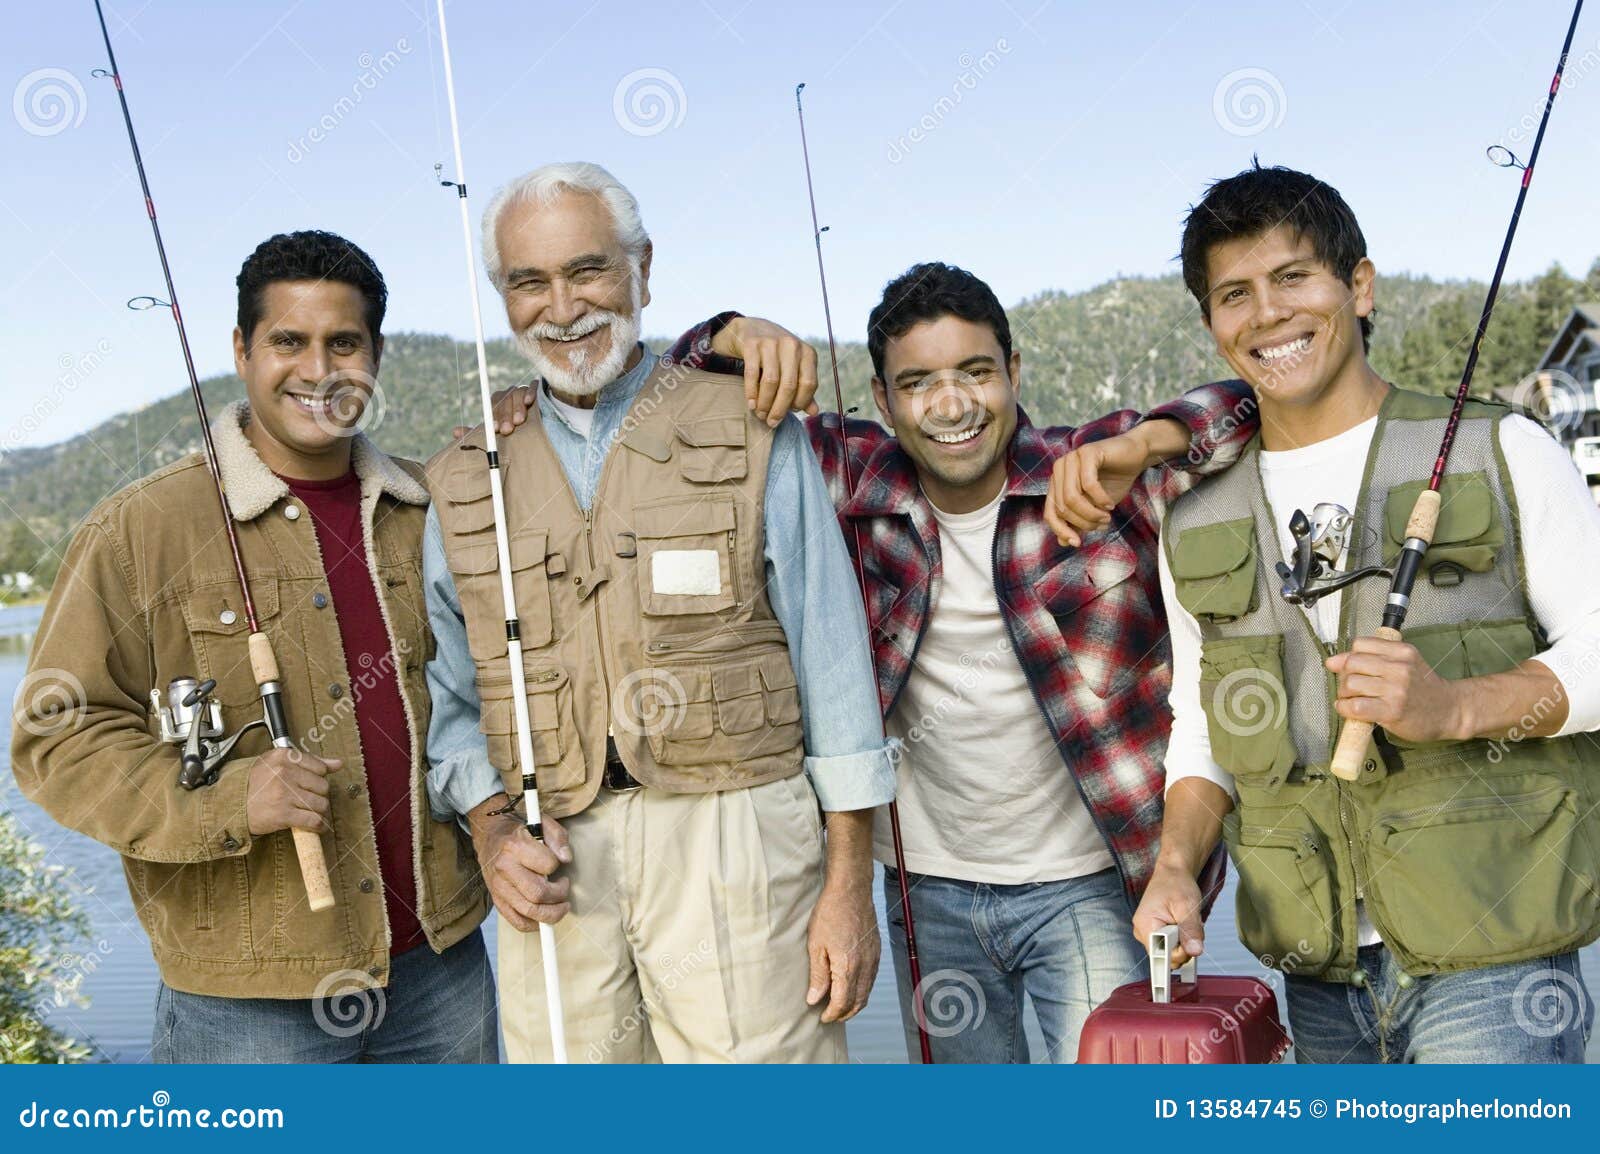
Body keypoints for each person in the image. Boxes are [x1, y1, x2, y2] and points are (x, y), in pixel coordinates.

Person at [1049, 162, 1600, 1062]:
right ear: (1212, 325)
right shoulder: (1193, 516)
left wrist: (1458, 707)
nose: (1267, 313)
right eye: (1235, 294)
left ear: (1360, 287)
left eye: (1293, 277)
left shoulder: (1506, 447)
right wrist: (1176, 865)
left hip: (1496, 959)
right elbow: (1202, 726)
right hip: (1314, 970)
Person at [674, 262, 1256, 1061]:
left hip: (1092, 885)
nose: (951, 406)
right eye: (918, 383)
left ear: (1013, 372)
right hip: (927, 891)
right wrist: (735, 334)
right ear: (883, 401)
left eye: (976, 372)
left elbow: (1248, 409)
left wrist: (1146, 440)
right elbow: (678, 399)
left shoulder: (1094, 469)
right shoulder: (846, 475)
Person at [422, 162, 895, 1063]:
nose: (563, 307)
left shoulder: (758, 424)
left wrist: (848, 888)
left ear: (642, 268)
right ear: (504, 298)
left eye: (588, 270)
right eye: (529, 282)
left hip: (738, 836)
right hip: (553, 857)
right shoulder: (460, 477)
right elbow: (449, 699)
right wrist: (490, 828)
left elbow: (833, 664)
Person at [12, 231, 498, 1063]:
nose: (318, 370)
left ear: (377, 355)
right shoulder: (138, 531)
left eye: (343, 343)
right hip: (246, 1004)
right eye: (288, 341)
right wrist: (229, 800)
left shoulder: (434, 509)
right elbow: (57, 739)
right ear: (242, 351)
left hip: (442, 970)